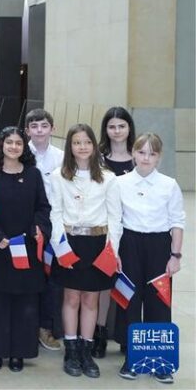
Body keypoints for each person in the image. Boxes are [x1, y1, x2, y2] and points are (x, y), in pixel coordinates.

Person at [0, 127, 51, 373]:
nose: (14, 147)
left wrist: (39, 228)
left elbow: (43, 207)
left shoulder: (33, 174)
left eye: (19, 143)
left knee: (25, 304)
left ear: (24, 147)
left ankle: (20, 353)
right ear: (1, 145)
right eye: (9, 142)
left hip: (27, 249)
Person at [49, 124, 122, 379]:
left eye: (87, 142)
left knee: (91, 299)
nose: (82, 147)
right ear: (70, 146)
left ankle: (86, 351)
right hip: (69, 241)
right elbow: (54, 213)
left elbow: (115, 217)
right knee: (71, 298)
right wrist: (61, 248)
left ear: (94, 145)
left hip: (98, 243)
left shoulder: (108, 178)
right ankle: (70, 350)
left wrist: (112, 250)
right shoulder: (58, 176)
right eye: (77, 142)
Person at [115, 133, 184, 384]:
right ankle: (132, 358)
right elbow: (115, 220)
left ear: (159, 157)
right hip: (129, 244)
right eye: (141, 152)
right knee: (129, 300)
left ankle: (160, 362)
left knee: (159, 302)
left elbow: (177, 222)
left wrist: (175, 255)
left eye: (152, 153)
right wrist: (114, 252)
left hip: (159, 245)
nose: (146, 158)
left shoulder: (169, 184)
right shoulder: (120, 184)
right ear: (133, 153)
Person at [96, 106, 136, 358]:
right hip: (106, 229)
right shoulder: (98, 157)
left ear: (129, 128)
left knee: (129, 284)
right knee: (102, 285)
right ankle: (100, 333)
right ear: (106, 130)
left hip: (133, 229)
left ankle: (124, 333)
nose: (117, 130)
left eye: (122, 125)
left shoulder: (139, 155)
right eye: (112, 126)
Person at [24, 108, 65, 352]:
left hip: (54, 224)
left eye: (44, 126)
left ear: (52, 128)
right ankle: (25, 326)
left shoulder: (61, 157)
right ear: (27, 130)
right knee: (26, 275)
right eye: (34, 126)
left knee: (51, 278)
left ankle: (45, 327)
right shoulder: (18, 151)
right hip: (24, 224)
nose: (39, 130)